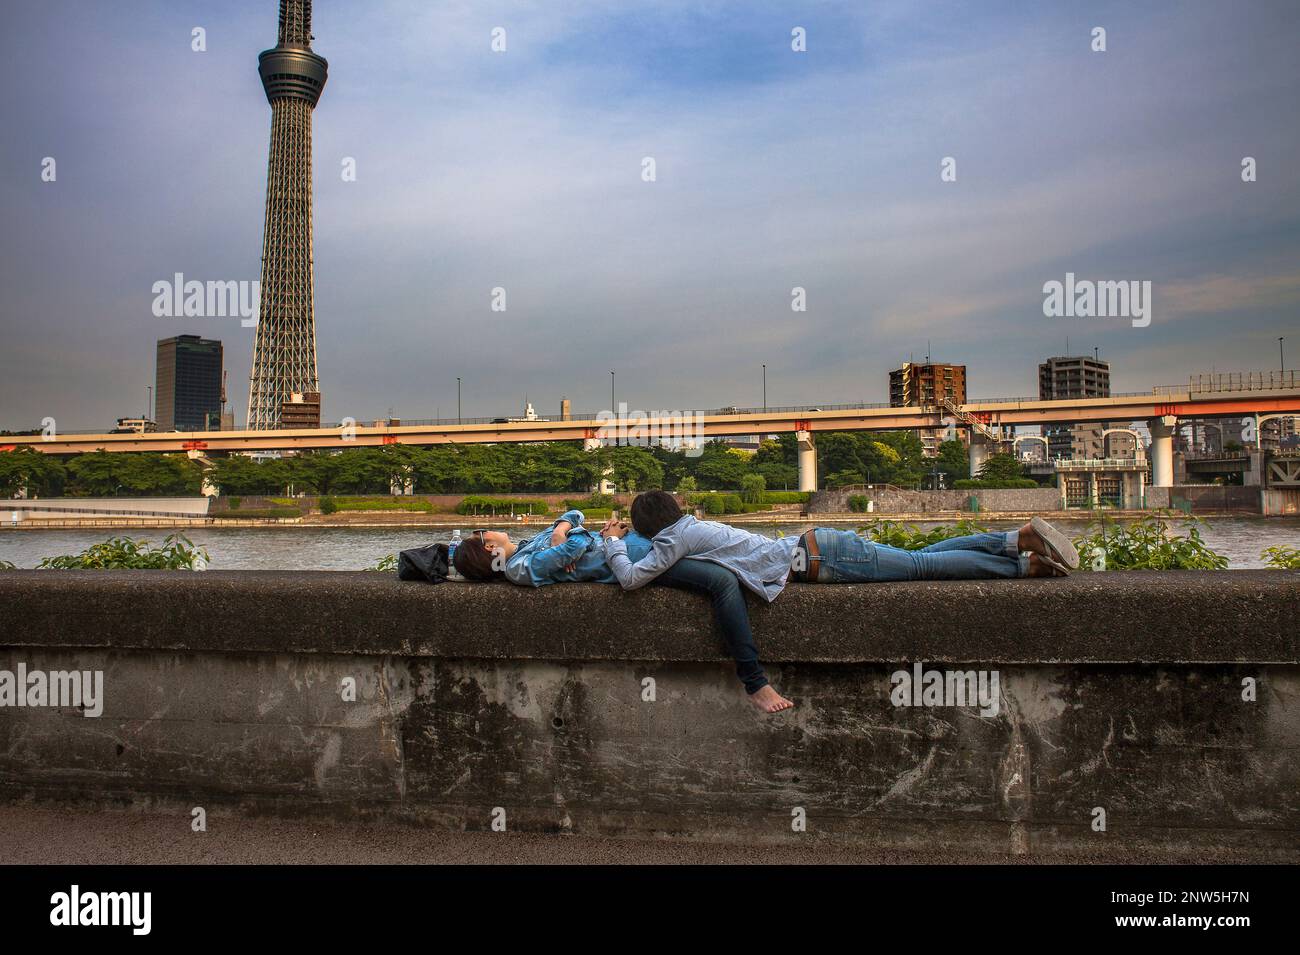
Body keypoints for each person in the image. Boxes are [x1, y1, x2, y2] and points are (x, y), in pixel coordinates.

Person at [599, 491, 1082, 707]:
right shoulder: (691, 527)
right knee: (917, 558)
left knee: (921, 567)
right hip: (817, 546)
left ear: (651, 529)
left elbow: (630, 580)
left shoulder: (671, 542)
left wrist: (611, 541)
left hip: (821, 560)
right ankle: (1020, 554)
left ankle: (1018, 543)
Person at [452, 509, 791, 713]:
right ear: (489, 546)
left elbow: (574, 517)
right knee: (722, 582)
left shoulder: (530, 546)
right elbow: (580, 543)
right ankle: (754, 682)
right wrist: (576, 537)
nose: (489, 528)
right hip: (640, 562)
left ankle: (789, 562)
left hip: (646, 544)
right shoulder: (520, 567)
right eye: (484, 532)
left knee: (729, 549)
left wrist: (559, 528)